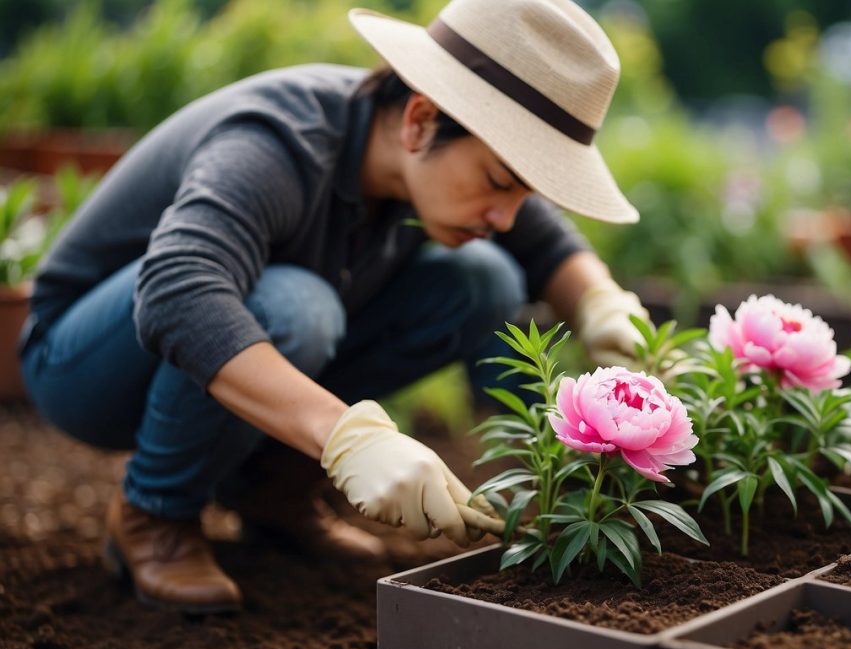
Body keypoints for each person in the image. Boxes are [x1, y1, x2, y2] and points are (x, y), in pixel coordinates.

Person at [18, 0, 654, 614]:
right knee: (295, 306)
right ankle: (154, 514)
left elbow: (545, 245)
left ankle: (270, 489)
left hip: (199, 345)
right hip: (83, 360)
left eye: (526, 194)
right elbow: (177, 290)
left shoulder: (425, 153)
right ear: (419, 121)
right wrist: (343, 437)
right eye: (498, 182)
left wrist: (601, 303)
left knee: (481, 278)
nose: (505, 215)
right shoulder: (279, 141)